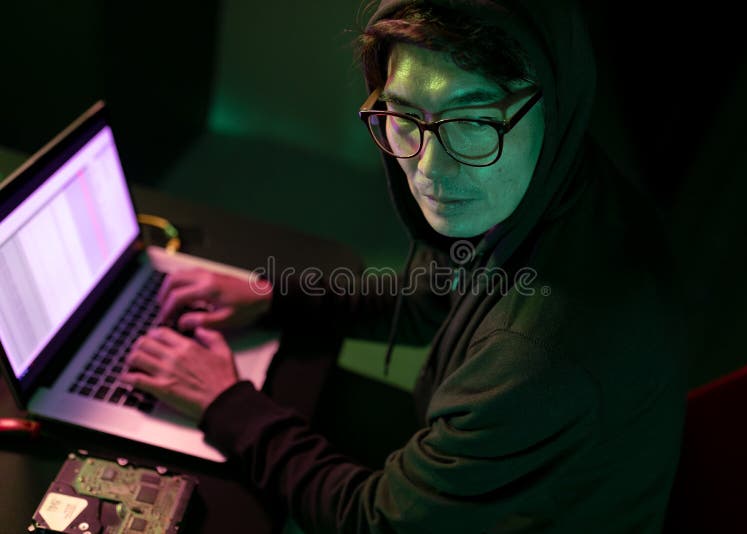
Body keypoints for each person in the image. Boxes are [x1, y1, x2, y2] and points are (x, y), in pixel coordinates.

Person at [123, 1, 686, 531]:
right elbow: (429, 300)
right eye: (405, 114)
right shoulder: (557, 181)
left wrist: (226, 405)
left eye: (475, 119)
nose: (430, 168)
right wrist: (275, 299)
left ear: (554, 102)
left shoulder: (539, 358)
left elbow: (377, 522)